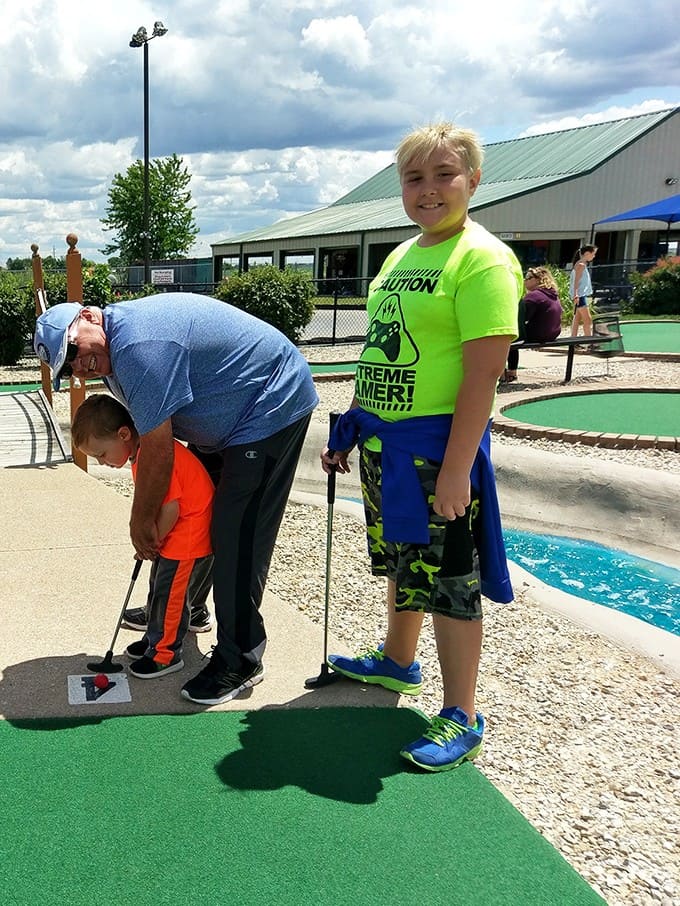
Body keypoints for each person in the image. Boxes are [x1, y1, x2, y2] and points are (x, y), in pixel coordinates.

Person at [320, 122, 522, 772]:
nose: (428, 189)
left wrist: (457, 470)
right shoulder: (401, 256)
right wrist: (353, 425)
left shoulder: (481, 259)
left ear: (473, 180)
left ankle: (462, 713)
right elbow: (379, 352)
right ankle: (398, 661)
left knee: (450, 583)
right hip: (385, 445)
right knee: (404, 564)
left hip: (437, 451)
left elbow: (483, 375)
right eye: (414, 178)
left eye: (443, 175)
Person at [34, 292, 318, 704]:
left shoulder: (137, 347)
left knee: (236, 534)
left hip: (268, 404)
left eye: (73, 351)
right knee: (203, 522)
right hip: (230, 420)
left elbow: (158, 446)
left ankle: (241, 658)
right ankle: (187, 608)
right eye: (67, 367)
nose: (78, 367)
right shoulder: (112, 356)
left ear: (89, 317)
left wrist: (141, 523)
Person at [71, 393, 215, 679]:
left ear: (124, 434)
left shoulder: (156, 457)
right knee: (159, 587)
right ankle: (154, 638)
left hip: (188, 535)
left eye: (102, 454)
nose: (102, 462)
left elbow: (171, 508)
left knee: (170, 596)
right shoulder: (143, 454)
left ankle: (165, 654)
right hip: (177, 533)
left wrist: (152, 541)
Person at [501, 266, 563, 382]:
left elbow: (523, 318)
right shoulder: (551, 293)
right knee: (514, 336)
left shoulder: (534, 296)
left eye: (528, 278)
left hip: (540, 334)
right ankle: (512, 372)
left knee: (509, 336)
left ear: (538, 279)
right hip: (553, 333)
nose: (525, 280)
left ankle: (505, 373)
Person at [569, 245, 597, 337]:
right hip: (580, 296)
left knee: (577, 319)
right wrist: (576, 294)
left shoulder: (581, 264)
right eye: (593, 254)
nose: (594, 256)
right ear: (587, 253)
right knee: (588, 320)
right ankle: (589, 341)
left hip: (580, 295)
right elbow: (576, 281)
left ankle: (573, 340)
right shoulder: (581, 265)